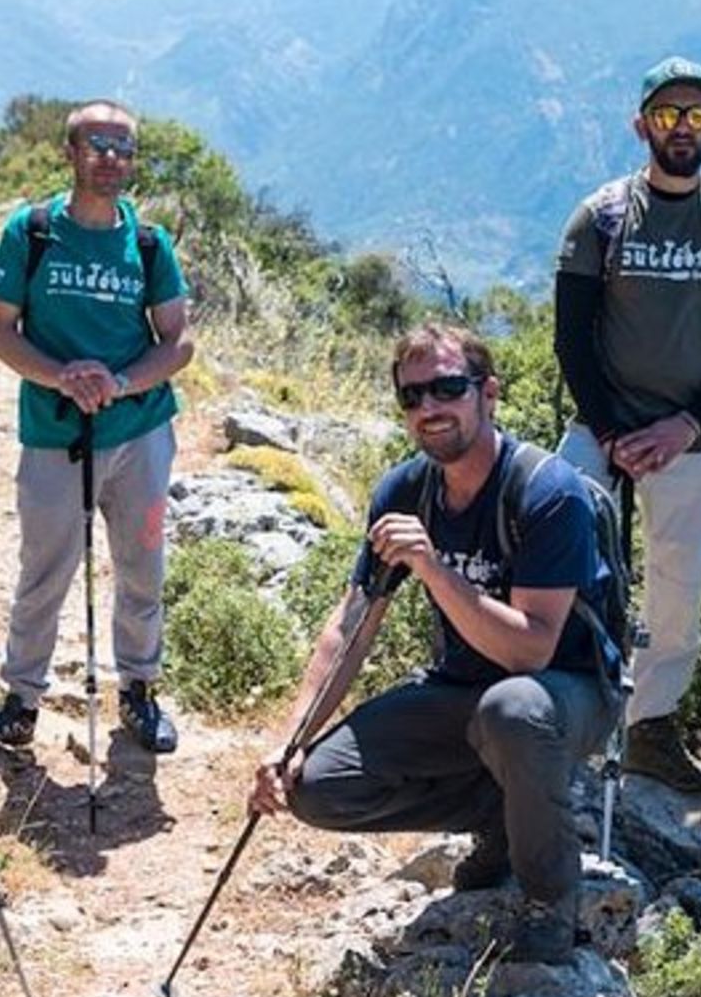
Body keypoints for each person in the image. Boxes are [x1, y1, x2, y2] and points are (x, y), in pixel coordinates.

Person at [250, 324, 619, 963]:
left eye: (448, 388)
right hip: (465, 691)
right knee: (318, 786)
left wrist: (432, 568)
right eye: (412, 396)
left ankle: (549, 901)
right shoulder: (405, 491)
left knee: (513, 710)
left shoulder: (547, 492)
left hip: (567, 695)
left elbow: (532, 651)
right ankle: (503, 821)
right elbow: (350, 628)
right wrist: (287, 744)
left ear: (489, 393)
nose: (429, 409)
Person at [551, 55, 701, 792]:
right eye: (668, 114)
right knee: (566, 572)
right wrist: (615, 432)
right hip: (604, 430)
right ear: (641, 124)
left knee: (677, 590)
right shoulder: (601, 217)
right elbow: (572, 337)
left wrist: (683, 424)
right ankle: (562, 713)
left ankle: (650, 729)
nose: (682, 129)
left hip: (697, 439)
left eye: (696, 116)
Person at [0, 100, 194, 766]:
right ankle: (20, 700)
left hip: (140, 428)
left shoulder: (148, 243)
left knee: (141, 564)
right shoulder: (31, 232)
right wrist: (65, 377)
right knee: (45, 568)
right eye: (97, 145)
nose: (111, 158)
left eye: (123, 147)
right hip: (54, 430)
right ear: (71, 152)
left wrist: (117, 383)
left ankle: (139, 689)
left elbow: (177, 343)